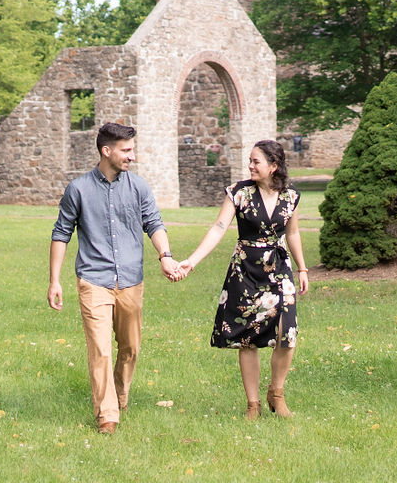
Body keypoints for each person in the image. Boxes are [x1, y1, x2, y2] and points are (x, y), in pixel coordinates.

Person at [47, 122, 185, 434]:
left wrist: (165, 257)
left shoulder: (139, 188)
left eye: (132, 150)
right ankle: (107, 415)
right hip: (93, 279)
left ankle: (120, 395)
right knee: (101, 349)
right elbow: (61, 234)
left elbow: (154, 223)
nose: (131, 156)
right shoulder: (78, 189)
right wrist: (54, 280)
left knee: (130, 347)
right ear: (106, 151)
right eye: (126, 150)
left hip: (131, 280)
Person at [179, 139, 308, 419]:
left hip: (278, 268)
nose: (250, 165)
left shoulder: (291, 196)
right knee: (248, 338)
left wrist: (303, 269)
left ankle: (277, 393)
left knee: (288, 334)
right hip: (245, 270)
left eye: (256, 161)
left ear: (274, 166)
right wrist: (192, 260)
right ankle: (253, 404)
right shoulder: (238, 192)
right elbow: (218, 228)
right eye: (249, 160)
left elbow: (293, 233)